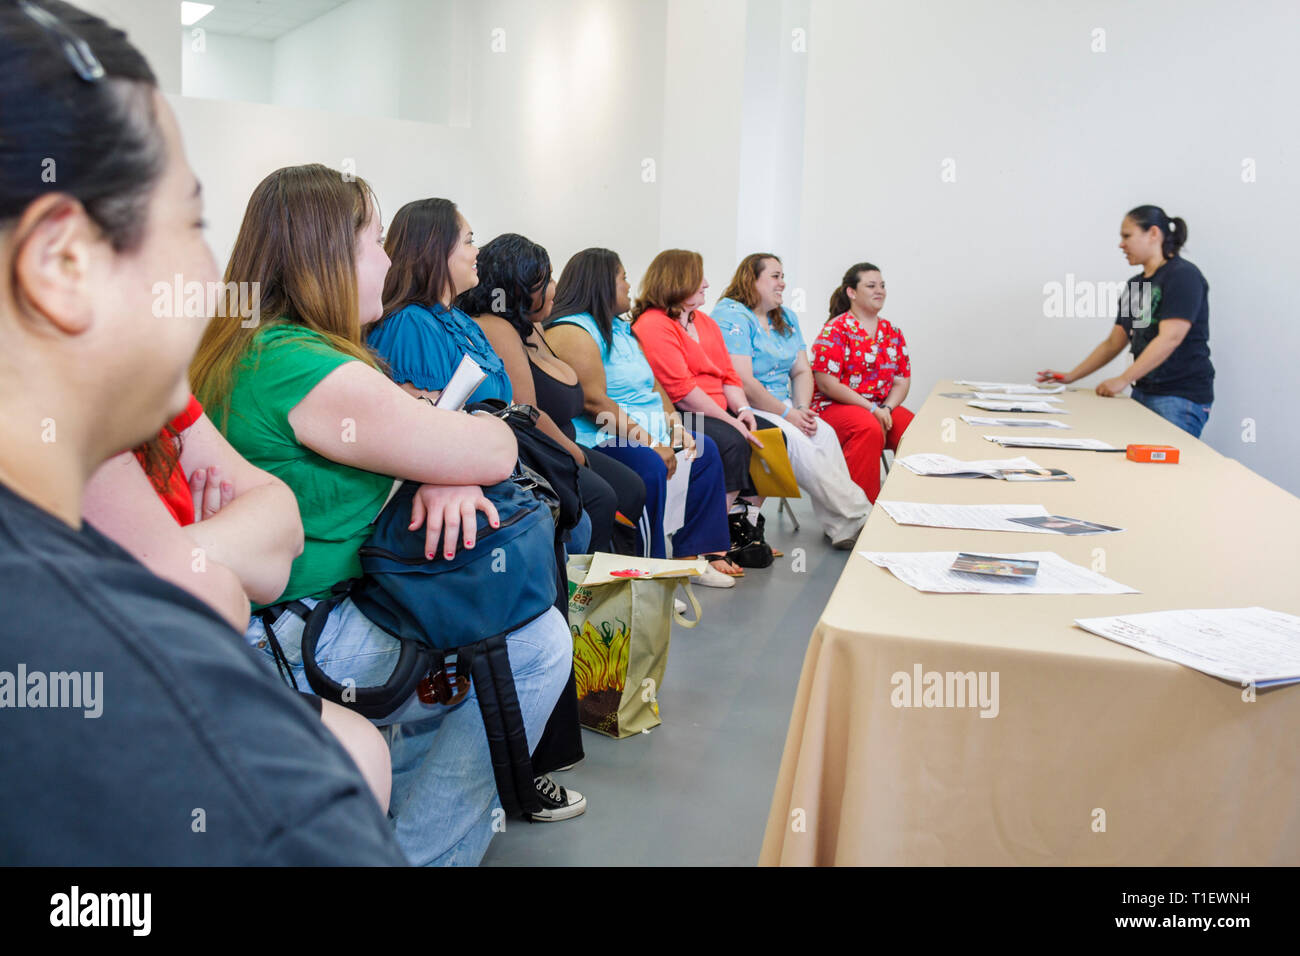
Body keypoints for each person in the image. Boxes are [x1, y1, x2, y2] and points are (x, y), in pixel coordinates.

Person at [0, 0, 404, 864]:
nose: (208, 274)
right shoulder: (275, 806)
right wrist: (214, 563)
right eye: (190, 222)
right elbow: (207, 588)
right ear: (62, 265)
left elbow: (254, 537)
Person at [190, 166, 570, 861]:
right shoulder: (295, 362)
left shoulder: (255, 346)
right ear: (325, 257)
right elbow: (495, 439)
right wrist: (447, 460)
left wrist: (438, 467)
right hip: (299, 640)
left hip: (278, 621)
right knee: (538, 643)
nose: (389, 260)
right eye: (373, 240)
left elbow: (429, 427)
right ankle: (423, 852)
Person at [366, 200, 587, 822]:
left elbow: (498, 405)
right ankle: (524, 765)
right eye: (467, 238)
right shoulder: (408, 323)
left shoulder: (456, 317)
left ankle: (533, 754)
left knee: (558, 522)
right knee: (541, 546)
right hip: (452, 492)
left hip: (488, 470)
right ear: (435, 247)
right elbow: (425, 429)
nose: (476, 251)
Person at [83, 397, 393, 812]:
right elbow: (218, 602)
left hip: (243, 633)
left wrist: (189, 554)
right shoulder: (71, 415)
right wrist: (218, 557)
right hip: (234, 646)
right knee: (498, 646)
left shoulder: (158, 391)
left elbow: (286, 528)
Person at [545, 248, 741, 585]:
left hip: (646, 427)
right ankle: (651, 577)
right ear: (602, 283)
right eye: (623, 277)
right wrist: (651, 442)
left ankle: (688, 560)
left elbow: (655, 388)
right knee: (649, 466)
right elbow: (595, 403)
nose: (629, 284)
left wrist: (676, 427)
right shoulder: (574, 330)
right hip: (605, 435)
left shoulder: (621, 329)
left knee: (705, 449)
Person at [456, 232, 645, 557]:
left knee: (632, 486)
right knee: (602, 498)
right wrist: (573, 452)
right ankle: (583, 597)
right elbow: (527, 413)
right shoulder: (497, 327)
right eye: (545, 280)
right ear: (518, 287)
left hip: (560, 441)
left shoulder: (534, 326)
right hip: (535, 449)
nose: (555, 289)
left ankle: (624, 583)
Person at [632, 249, 780, 567]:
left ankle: (743, 527)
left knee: (770, 437)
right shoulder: (654, 324)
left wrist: (743, 411)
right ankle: (706, 547)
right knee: (730, 441)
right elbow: (681, 390)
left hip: (718, 408)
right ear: (678, 280)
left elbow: (728, 373)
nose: (707, 284)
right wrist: (730, 421)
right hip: (681, 411)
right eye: (700, 278)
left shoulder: (706, 323)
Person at [713, 253, 870, 549]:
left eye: (783, 276)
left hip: (785, 404)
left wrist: (801, 409)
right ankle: (860, 515)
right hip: (747, 406)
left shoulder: (786, 316)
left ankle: (840, 527)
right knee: (798, 444)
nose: (782, 283)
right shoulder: (731, 314)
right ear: (752, 278)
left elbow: (801, 370)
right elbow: (743, 380)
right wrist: (787, 414)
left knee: (824, 434)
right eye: (775, 276)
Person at [1036, 205, 1214, 437]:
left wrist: (1123, 379)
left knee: (1166, 470)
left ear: (1153, 234)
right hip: (1143, 392)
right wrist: (1072, 376)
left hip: (1179, 397)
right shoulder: (1137, 285)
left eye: (1127, 236)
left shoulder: (1183, 276)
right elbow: (1115, 342)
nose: (1121, 244)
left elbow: (1171, 338)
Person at [810, 262, 914, 504]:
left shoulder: (892, 332)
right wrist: (871, 409)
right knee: (867, 427)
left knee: (910, 428)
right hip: (833, 408)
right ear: (852, 292)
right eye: (871, 285)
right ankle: (861, 514)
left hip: (879, 407)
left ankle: (907, 505)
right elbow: (827, 383)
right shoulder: (835, 329)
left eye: (882, 285)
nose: (879, 291)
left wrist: (886, 408)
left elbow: (901, 380)